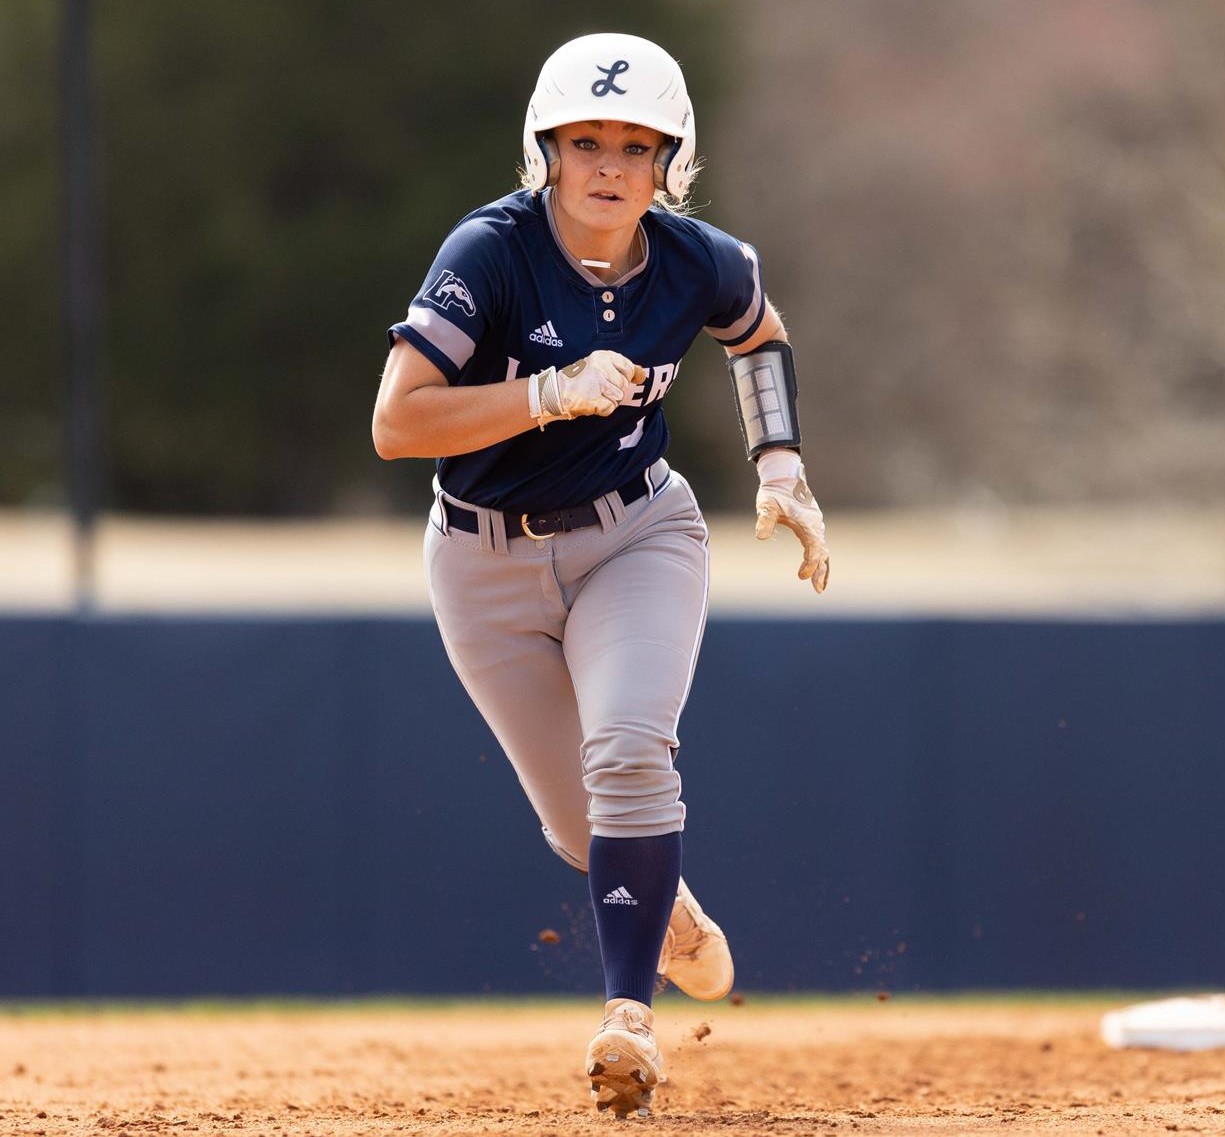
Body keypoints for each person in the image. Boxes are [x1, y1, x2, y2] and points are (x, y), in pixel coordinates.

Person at [371, 31, 829, 1118]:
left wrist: (780, 463)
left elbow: (756, 339)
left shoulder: (695, 258)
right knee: (581, 827)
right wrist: (545, 393)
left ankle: (628, 1019)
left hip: (636, 533)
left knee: (628, 747)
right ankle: (669, 918)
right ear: (546, 151)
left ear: (671, 158)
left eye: (636, 144)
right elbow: (396, 422)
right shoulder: (491, 251)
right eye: (586, 141)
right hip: (479, 558)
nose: (610, 166)